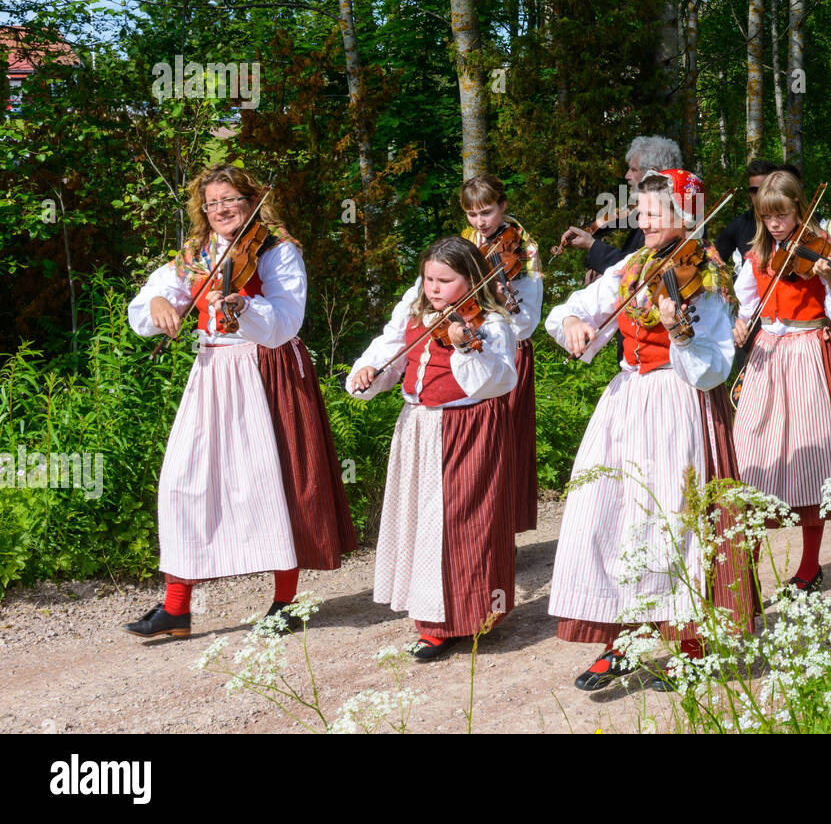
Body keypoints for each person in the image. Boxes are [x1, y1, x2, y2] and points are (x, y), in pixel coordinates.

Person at [124, 166, 356, 639]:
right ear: (201, 210)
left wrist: (244, 308)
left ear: (251, 202)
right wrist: (156, 305)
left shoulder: (277, 250)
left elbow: (287, 319)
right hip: (212, 371)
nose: (221, 210)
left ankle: (285, 602)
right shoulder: (196, 255)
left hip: (267, 368)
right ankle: (176, 609)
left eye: (230, 199)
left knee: (275, 481)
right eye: (211, 203)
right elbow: (157, 291)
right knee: (183, 482)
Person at [546, 170, 755, 691]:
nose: (641, 219)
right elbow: (574, 309)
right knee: (610, 512)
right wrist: (573, 322)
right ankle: (623, 640)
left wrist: (679, 330)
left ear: (687, 216)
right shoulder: (633, 264)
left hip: (678, 401)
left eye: (653, 212)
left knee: (672, 520)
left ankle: (691, 642)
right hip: (626, 399)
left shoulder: (707, 277)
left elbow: (712, 367)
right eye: (639, 210)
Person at [346, 237, 518, 660]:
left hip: (466, 427)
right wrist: (371, 370)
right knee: (422, 521)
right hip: (418, 427)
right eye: (428, 279)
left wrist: (463, 344)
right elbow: (391, 349)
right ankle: (431, 617)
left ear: (472, 280)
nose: (434, 288)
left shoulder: (491, 325)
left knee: (462, 523)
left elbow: (497, 380)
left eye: (446, 280)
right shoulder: (415, 311)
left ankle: (470, 615)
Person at [735, 169, 831, 586]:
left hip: (809, 351)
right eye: (768, 216)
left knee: (814, 459)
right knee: (751, 459)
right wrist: (739, 325)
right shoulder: (756, 255)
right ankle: (746, 572)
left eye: (784, 215)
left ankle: (810, 565)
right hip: (766, 355)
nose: (775, 224)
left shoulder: (824, 250)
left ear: (799, 211)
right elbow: (746, 305)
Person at [458, 175, 544, 533]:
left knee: (507, 442)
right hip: (472, 347)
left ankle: (505, 525)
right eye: (472, 214)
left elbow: (526, 321)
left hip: (510, 351)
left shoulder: (525, 248)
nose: (480, 221)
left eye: (487, 212)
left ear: (503, 206)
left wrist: (500, 299)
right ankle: (478, 522)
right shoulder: (465, 243)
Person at [558, 135, 683, 276]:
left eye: (633, 170)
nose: (627, 175)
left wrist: (592, 245)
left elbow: (639, 270)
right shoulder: (645, 209)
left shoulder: (674, 214)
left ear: (652, 173)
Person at [713, 159, 801, 273]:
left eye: (765, 189)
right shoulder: (740, 224)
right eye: (754, 190)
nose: (760, 194)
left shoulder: (800, 220)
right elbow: (716, 256)